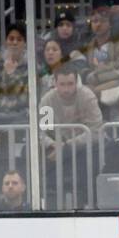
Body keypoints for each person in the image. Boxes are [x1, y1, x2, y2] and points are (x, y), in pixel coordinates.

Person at [38, 64, 103, 206]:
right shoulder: (47, 100)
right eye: (62, 84)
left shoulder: (87, 97)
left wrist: (67, 146)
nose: (66, 89)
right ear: (55, 83)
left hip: (83, 148)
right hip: (56, 147)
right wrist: (53, 144)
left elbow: (96, 131)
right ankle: (44, 198)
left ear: (77, 82)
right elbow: (43, 132)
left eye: (70, 84)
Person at [81, 7, 119, 107]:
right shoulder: (89, 45)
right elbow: (87, 68)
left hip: (117, 83)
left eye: (103, 21)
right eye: (95, 21)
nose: (98, 24)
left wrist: (100, 70)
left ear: (110, 24)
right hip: (96, 82)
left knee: (92, 92)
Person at [0, 22, 31, 118]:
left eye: (19, 39)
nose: (15, 43)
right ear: (6, 42)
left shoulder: (31, 68)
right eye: (11, 39)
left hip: (21, 120)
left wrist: (11, 74)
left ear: (25, 43)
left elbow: (24, 101)